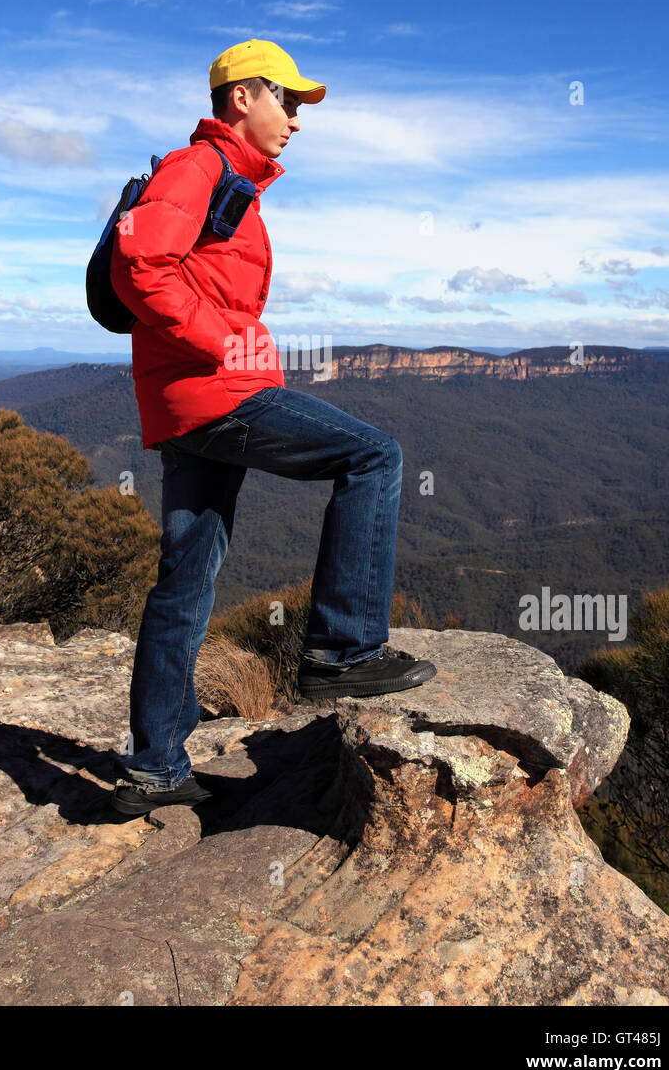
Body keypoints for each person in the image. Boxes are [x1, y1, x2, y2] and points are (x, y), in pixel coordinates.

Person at [109, 39, 436, 818]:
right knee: (374, 457)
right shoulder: (197, 169)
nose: (296, 118)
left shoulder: (226, 180)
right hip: (217, 395)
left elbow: (181, 274)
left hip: (184, 404)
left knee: (185, 581)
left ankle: (153, 766)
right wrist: (223, 343)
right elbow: (137, 265)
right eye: (287, 100)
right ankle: (342, 650)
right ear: (241, 98)